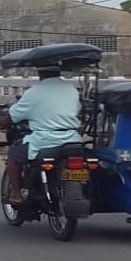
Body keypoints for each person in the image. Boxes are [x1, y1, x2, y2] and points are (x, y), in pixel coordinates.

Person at [6, 66, 82, 198]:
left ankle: (17, 194)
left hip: (45, 141)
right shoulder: (71, 89)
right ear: (58, 72)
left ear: (40, 74)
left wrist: (0, 122)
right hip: (72, 139)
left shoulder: (34, 92)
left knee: (13, 154)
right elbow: (77, 110)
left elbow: (14, 115)